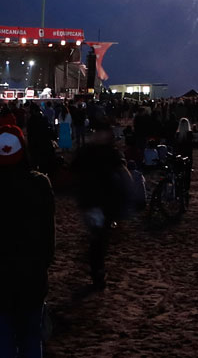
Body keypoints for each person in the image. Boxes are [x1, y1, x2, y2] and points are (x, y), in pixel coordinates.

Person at [0, 123, 55, 357]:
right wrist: (42, 264)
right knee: (31, 340)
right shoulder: (40, 184)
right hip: (31, 276)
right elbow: (48, 236)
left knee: (2, 343)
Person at [72, 121, 127, 289]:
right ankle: (97, 270)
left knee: (101, 236)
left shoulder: (104, 151)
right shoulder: (95, 151)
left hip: (103, 200)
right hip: (93, 200)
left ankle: (96, 266)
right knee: (99, 237)